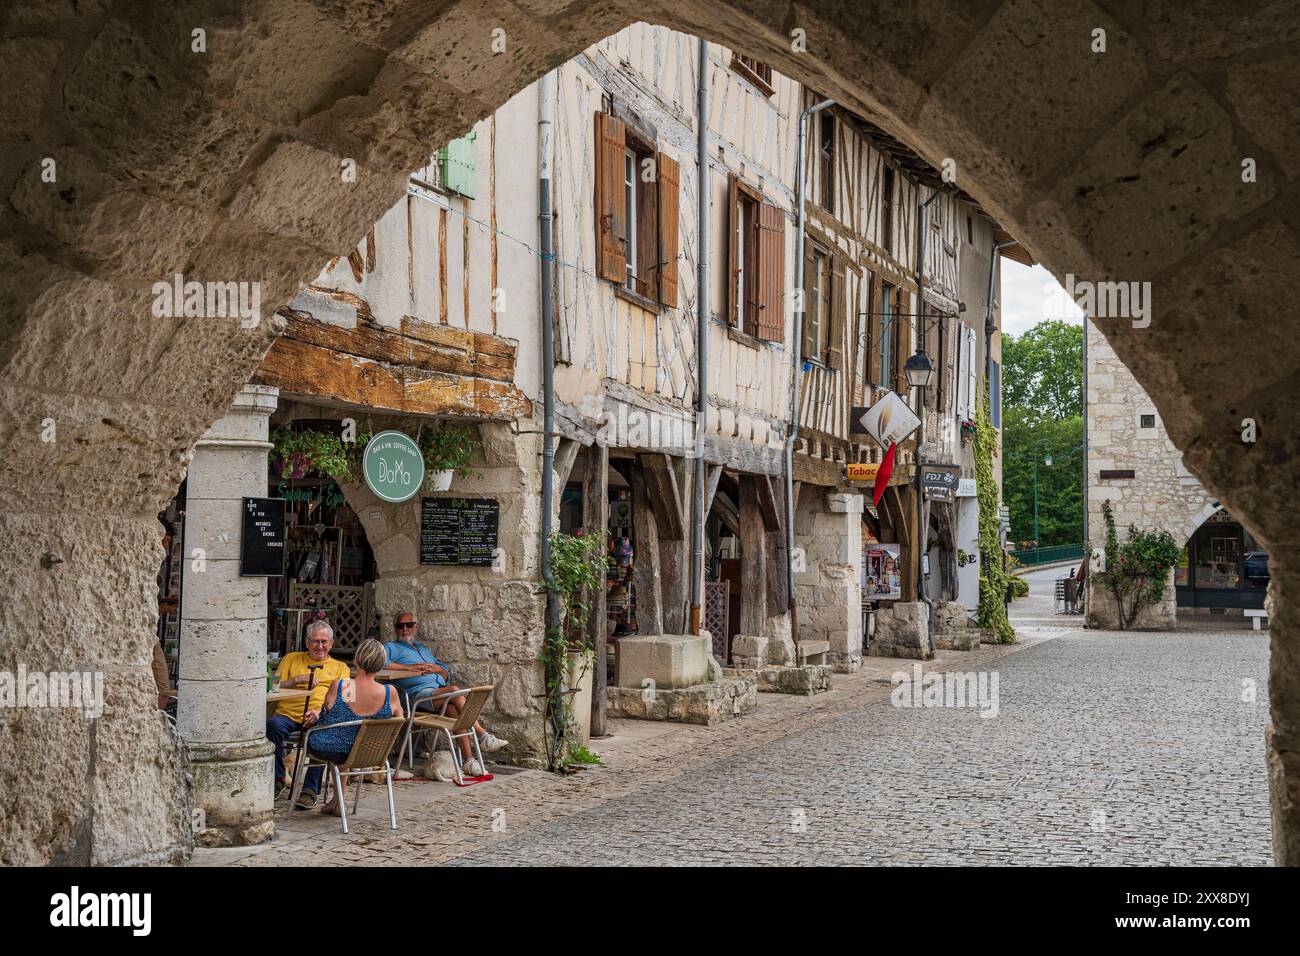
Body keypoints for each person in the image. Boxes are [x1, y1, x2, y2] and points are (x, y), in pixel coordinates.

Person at [383, 611, 508, 776]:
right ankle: (483, 736)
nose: (404, 629)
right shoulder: (391, 648)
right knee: (455, 691)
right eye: (400, 626)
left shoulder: (423, 649)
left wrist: (437, 669)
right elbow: (380, 662)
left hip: (437, 694)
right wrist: (408, 668)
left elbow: (446, 672)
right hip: (416, 697)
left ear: (415, 627)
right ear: (395, 628)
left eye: (409, 625)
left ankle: (469, 761)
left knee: (453, 711)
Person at [305, 639, 404, 817]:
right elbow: (399, 720)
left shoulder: (343, 686)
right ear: (380, 664)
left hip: (333, 748)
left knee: (340, 737)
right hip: (370, 752)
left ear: (357, 660)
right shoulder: (390, 692)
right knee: (350, 737)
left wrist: (317, 713)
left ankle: (337, 801)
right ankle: (337, 801)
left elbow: (328, 708)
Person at [266, 620, 350, 809]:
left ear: (331, 644)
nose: (319, 646)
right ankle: (279, 778)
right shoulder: (291, 659)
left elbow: (345, 699)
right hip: (288, 714)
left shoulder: (340, 668)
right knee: (271, 726)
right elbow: (272, 686)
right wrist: (296, 680)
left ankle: (310, 790)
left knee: (323, 732)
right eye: (314, 641)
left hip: (319, 716)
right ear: (307, 642)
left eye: (323, 641)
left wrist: (321, 712)